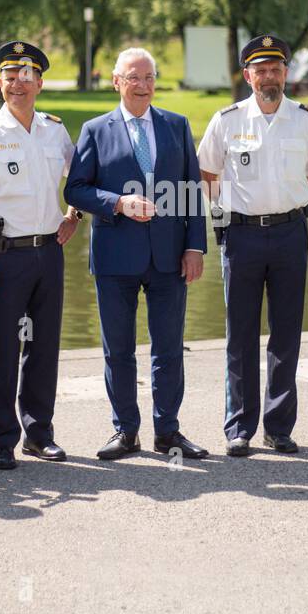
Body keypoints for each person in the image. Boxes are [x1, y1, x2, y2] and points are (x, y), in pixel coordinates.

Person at [65, 47, 209, 461]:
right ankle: (125, 432)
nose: (143, 85)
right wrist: (117, 203)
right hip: (114, 257)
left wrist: (195, 246)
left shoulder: (177, 126)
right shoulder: (94, 130)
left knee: (168, 348)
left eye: (149, 77)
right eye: (133, 77)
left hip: (169, 257)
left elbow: (191, 191)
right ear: (116, 82)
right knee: (118, 350)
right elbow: (75, 189)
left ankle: (168, 432)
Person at [197, 34, 308, 455]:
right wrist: (223, 223)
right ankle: (239, 428)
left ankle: (278, 427)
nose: (269, 76)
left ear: (286, 74)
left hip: (291, 235)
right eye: (261, 70)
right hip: (241, 236)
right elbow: (207, 176)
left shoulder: (307, 121)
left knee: (286, 332)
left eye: (276, 68)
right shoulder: (228, 120)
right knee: (240, 335)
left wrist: (291, 211)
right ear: (248, 75)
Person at [0, 41, 79, 471]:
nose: (17, 85)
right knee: (5, 348)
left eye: (26, 77)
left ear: (40, 84)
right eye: (10, 77)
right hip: (4, 256)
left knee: (44, 347)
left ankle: (39, 434)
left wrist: (73, 214)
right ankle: (3, 438)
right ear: (2, 83)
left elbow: (79, 180)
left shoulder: (54, 130)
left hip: (49, 251)